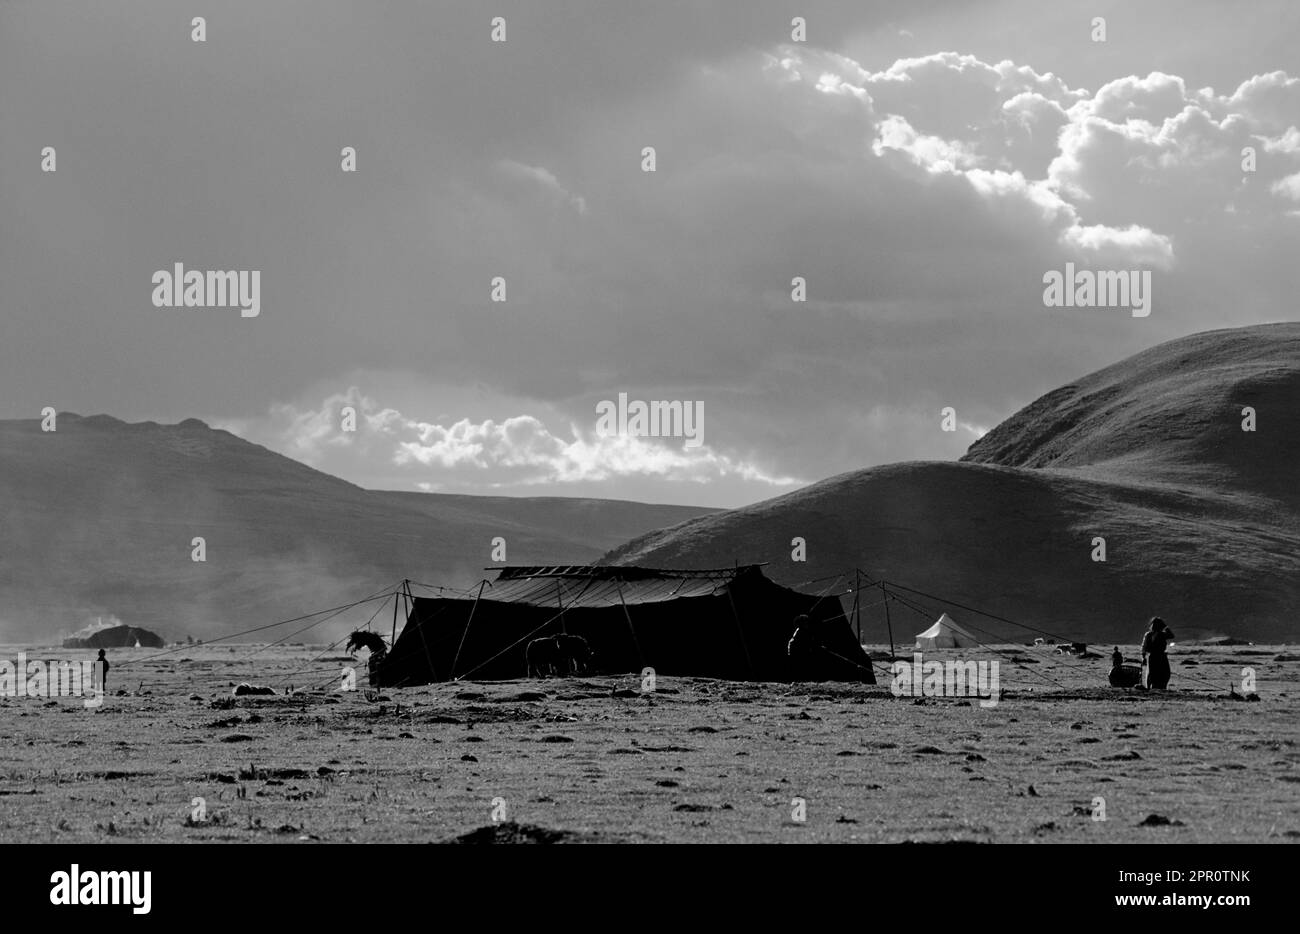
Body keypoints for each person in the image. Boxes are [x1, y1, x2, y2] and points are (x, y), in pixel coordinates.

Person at [1141, 617, 1174, 689]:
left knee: (1154, 673)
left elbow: (1144, 647)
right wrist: (1166, 627)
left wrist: (1143, 657)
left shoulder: (1150, 635)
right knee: (1160, 673)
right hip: (1160, 656)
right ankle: (1155, 687)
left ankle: (1152, 687)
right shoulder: (1161, 634)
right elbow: (1171, 635)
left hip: (1155, 656)